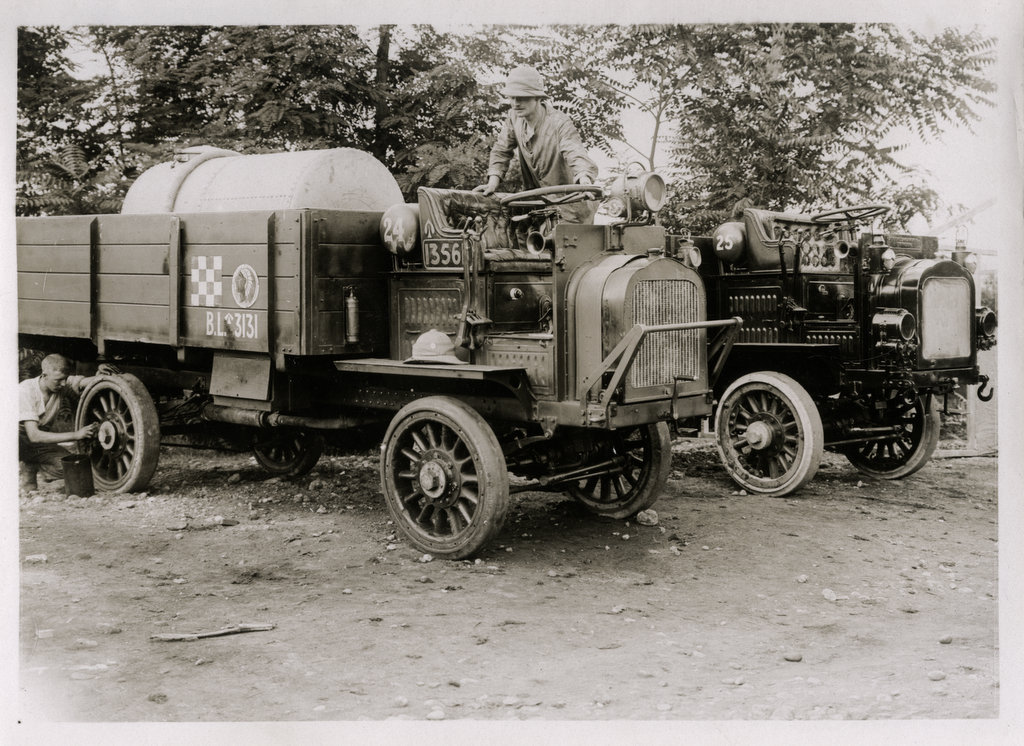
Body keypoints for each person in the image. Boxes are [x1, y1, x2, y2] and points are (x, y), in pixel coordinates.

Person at [475, 65, 599, 224]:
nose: (515, 103)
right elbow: (501, 150)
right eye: (512, 97)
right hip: (538, 207)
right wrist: (492, 182)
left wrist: (584, 181)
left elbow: (575, 153)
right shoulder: (514, 117)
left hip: (571, 209)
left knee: (559, 245)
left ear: (538, 98)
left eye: (522, 97)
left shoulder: (559, 123)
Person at [19, 354, 100, 491]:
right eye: (58, 380)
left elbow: (82, 382)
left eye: (65, 379)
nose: (63, 384)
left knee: (72, 466)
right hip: (13, 441)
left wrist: (102, 375)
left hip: (35, 443)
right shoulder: (25, 390)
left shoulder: (60, 384)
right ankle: (29, 465)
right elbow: (34, 435)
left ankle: (32, 464)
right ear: (44, 375)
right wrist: (76, 435)